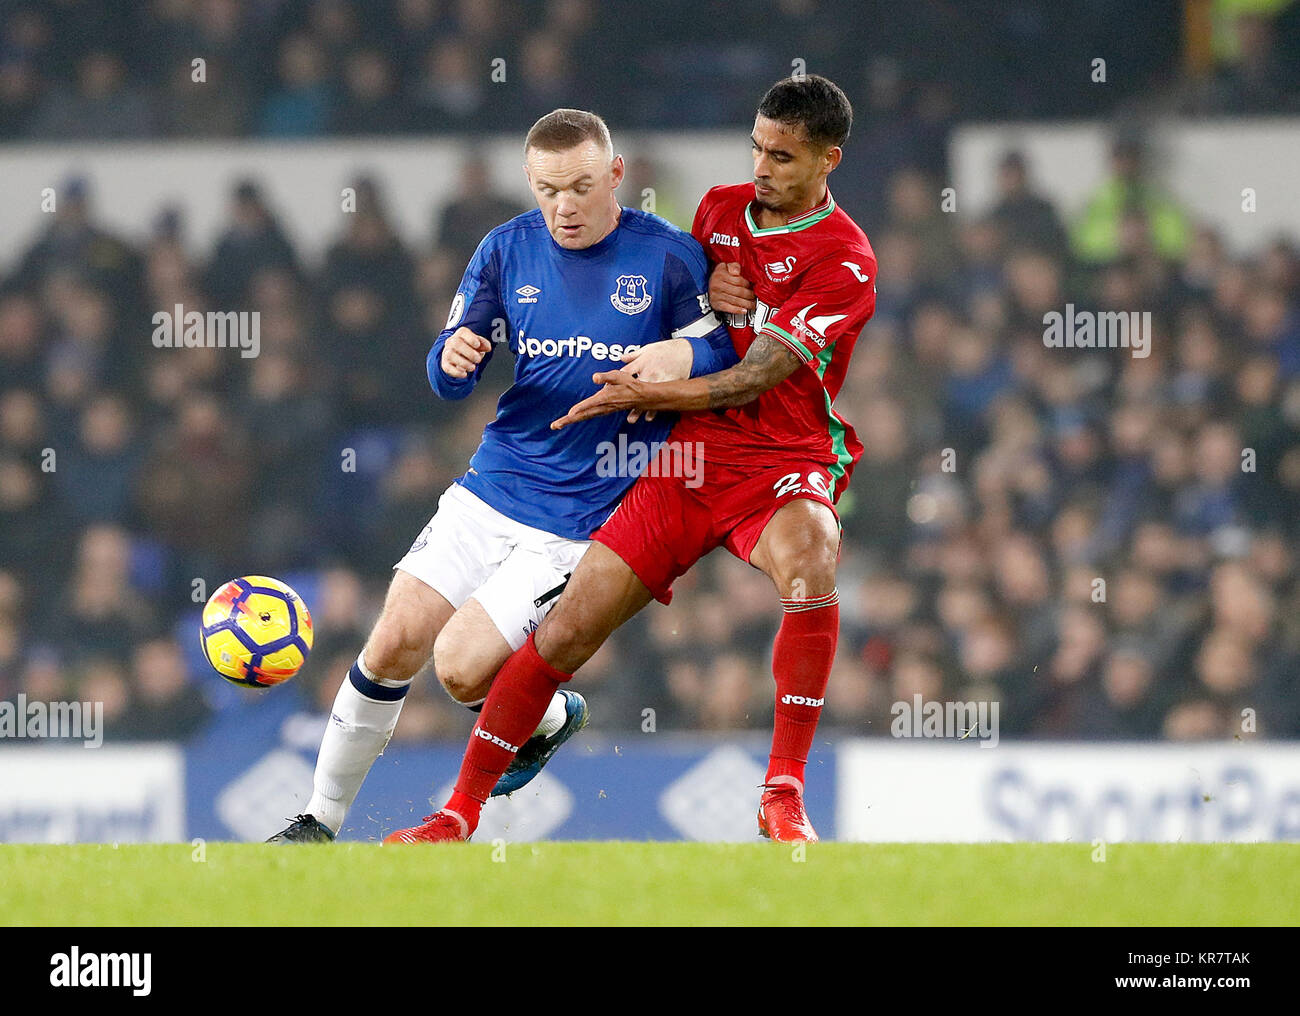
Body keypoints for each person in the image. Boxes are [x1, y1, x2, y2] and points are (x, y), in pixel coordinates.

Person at [386, 74, 876, 846]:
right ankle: (458, 813)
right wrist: (705, 301)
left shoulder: (845, 259)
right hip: (684, 463)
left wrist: (643, 389)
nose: (762, 167)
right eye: (756, 147)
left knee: (813, 555)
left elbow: (756, 374)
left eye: (783, 157)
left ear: (827, 160)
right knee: (567, 629)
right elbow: (684, 298)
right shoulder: (716, 211)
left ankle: (782, 792)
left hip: (778, 458)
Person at [270, 108, 736, 842]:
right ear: (530, 181)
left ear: (615, 176)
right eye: (549, 189)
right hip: (492, 485)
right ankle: (316, 824)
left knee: (460, 671)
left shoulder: (668, 258)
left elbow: (720, 350)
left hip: (584, 517)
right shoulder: (503, 249)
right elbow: (451, 368)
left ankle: (549, 713)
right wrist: (451, 355)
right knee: (391, 642)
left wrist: (682, 357)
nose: (566, 206)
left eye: (582, 186)